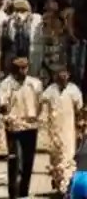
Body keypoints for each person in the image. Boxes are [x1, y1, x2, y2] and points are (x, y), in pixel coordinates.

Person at [0, 57, 42, 199]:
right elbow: (2, 104)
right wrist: (5, 109)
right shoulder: (6, 84)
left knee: (28, 161)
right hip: (14, 128)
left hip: (31, 127)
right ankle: (13, 193)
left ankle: (24, 192)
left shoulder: (35, 84)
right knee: (15, 161)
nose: (23, 71)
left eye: (25, 68)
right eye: (20, 69)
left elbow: (40, 104)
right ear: (14, 70)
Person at [41, 63, 85, 195]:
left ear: (68, 75)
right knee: (56, 159)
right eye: (60, 73)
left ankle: (66, 187)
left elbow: (80, 111)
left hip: (69, 131)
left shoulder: (74, 91)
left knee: (67, 158)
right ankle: (58, 183)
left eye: (65, 73)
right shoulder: (50, 91)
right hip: (54, 132)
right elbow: (43, 109)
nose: (62, 76)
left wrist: (80, 128)